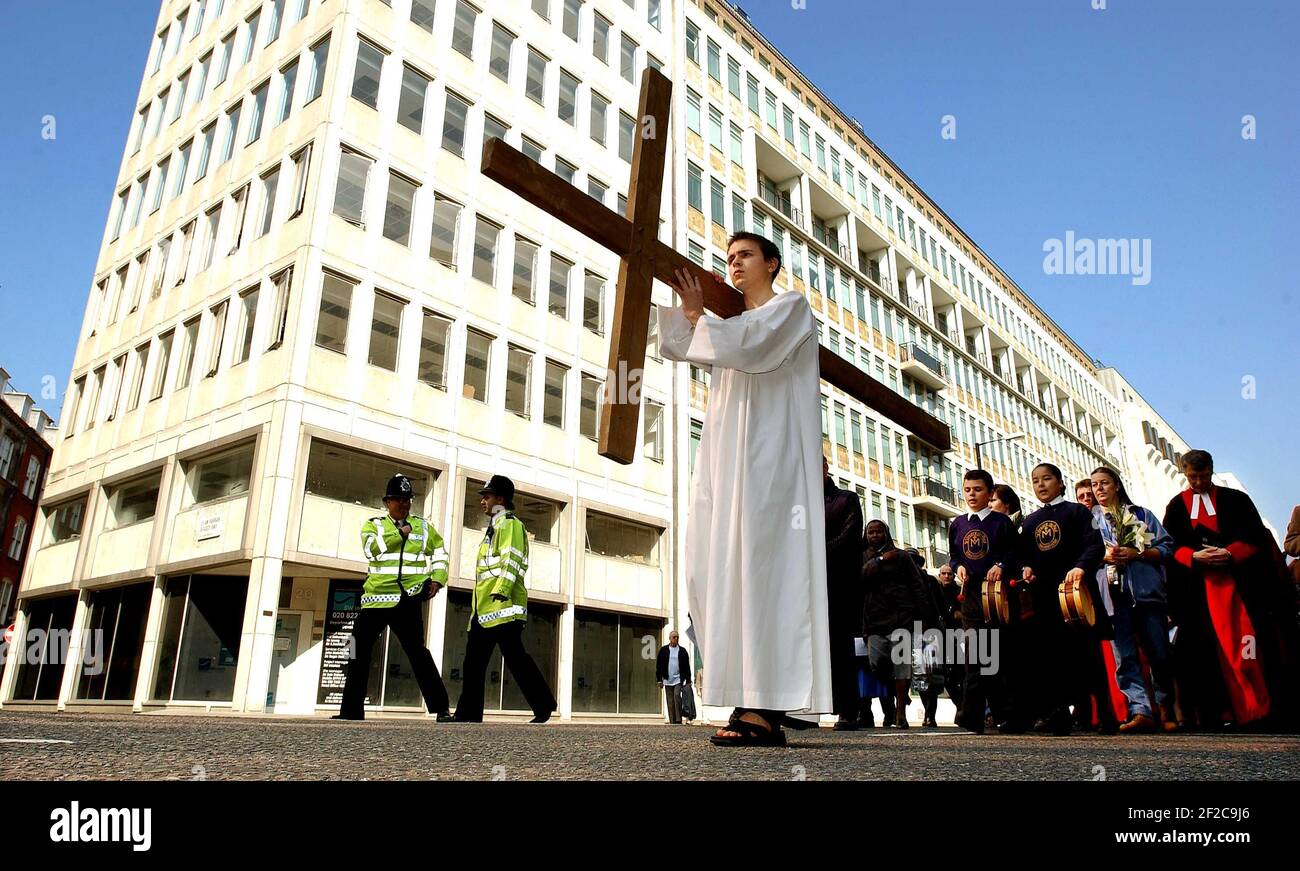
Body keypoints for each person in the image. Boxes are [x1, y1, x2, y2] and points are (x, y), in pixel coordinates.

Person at [659, 232, 832, 747]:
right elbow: (679, 345)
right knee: (716, 566)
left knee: (766, 573)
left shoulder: (791, 308)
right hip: (728, 464)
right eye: (729, 258)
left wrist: (697, 318)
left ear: (772, 263)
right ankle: (744, 696)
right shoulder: (727, 325)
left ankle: (766, 707)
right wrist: (690, 316)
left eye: (745, 256)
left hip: (770, 461)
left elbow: (752, 346)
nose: (734, 264)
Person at [1162, 450, 1293, 730]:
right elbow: (1170, 545)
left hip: (1241, 588)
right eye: (1192, 477)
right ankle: (1218, 714)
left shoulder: (1236, 500)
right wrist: (1193, 557)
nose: (1198, 482)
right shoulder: (1176, 506)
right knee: (1205, 653)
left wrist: (1229, 553)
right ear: (1184, 473)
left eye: (1203, 476)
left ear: (1211, 470)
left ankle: (1261, 711)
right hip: (1199, 592)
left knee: (1250, 647)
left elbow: (1256, 537)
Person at [335, 474, 451, 721]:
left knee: (418, 654)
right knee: (355, 651)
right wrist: (399, 534)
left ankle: (441, 709)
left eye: (407, 499)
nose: (404, 504)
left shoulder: (423, 527)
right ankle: (350, 711)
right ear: (387, 502)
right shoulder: (373, 525)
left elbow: (440, 551)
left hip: (407, 600)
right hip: (375, 601)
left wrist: (438, 577)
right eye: (398, 499)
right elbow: (370, 549)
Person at [452, 475, 557, 724]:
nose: (482, 502)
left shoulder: (510, 525)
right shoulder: (495, 527)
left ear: (500, 499)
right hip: (484, 609)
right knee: (473, 662)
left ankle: (543, 706)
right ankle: (469, 713)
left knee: (514, 659)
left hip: (502, 607)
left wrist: (502, 590)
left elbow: (513, 559)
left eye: (486, 497)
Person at [1019, 463, 1109, 735]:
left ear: (1060, 482)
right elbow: (1024, 557)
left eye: (1046, 479)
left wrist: (1081, 566)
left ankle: (1104, 715)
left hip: (1078, 594)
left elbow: (1095, 545)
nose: (1041, 485)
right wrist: (1026, 569)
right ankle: (1058, 714)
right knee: (1052, 658)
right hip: (1046, 598)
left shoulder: (1078, 512)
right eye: (1035, 480)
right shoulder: (1030, 521)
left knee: (1088, 654)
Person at [1090, 466, 1177, 733]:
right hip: (1112, 597)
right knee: (1124, 656)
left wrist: (1136, 553)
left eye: (1104, 483)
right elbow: (1082, 553)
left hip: (1146, 594)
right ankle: (1139, 710)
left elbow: (1166, 547)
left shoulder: (1141, 515)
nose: (1099, 489)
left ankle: (1166, 706)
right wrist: (1102, 557)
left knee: (1159, 653)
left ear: (1116, 485)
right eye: (1095, 485)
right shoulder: (1089, 521)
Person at [949, 469, 1020, 734]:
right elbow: (955, 555)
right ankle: (972, 717)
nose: (972, 495)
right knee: (975, 656)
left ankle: (1007, 715)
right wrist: (957, 568)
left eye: (978, 490)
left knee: (1000, 656)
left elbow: (1016, 554)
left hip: (998, 596)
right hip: (970, 597)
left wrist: (1001, 565)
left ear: (990, 493)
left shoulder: (1001, 523)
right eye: (967, 490)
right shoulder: (958, 524)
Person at [861, 522, 938, 729]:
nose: (875, 535)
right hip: (875, 620)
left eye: (879, 531)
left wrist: (924, 618)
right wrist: (879, 560)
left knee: (902, 668)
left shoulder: (902, 556)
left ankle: (900, 712)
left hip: (902, 619)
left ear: (886, 533)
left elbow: (917, 585)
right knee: (876, 664)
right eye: (871, 532)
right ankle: (898, 694)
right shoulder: (863, 556)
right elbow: (860, 579)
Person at [824, 457, 865, 730]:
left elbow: (849, 540)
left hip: (838, 585)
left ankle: (848, 710)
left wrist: (815, 552)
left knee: (840, 648)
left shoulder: (846, 500)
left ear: (825, 468)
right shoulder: (796, 502)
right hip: (805, 584)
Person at [909, 549, 949, 728]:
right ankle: (924, 713)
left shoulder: (931, 581)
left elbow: (940, 607)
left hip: (930, 631)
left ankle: (930, 714)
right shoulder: (901, 582)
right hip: (909, 630)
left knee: (931, 676)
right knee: (918, 676)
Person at [656, 630, 692, 725]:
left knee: (676, 696)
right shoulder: (663, 650)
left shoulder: (682, 651)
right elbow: (659, 665)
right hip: (667, 679)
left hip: (678, 679)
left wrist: (688, 680)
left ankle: (678, 719)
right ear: (670, 638)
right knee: (670, 700)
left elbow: (686, 666)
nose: (676, 639)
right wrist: (659, 679)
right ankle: (672, 721)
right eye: (674, 637)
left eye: (677, 637)